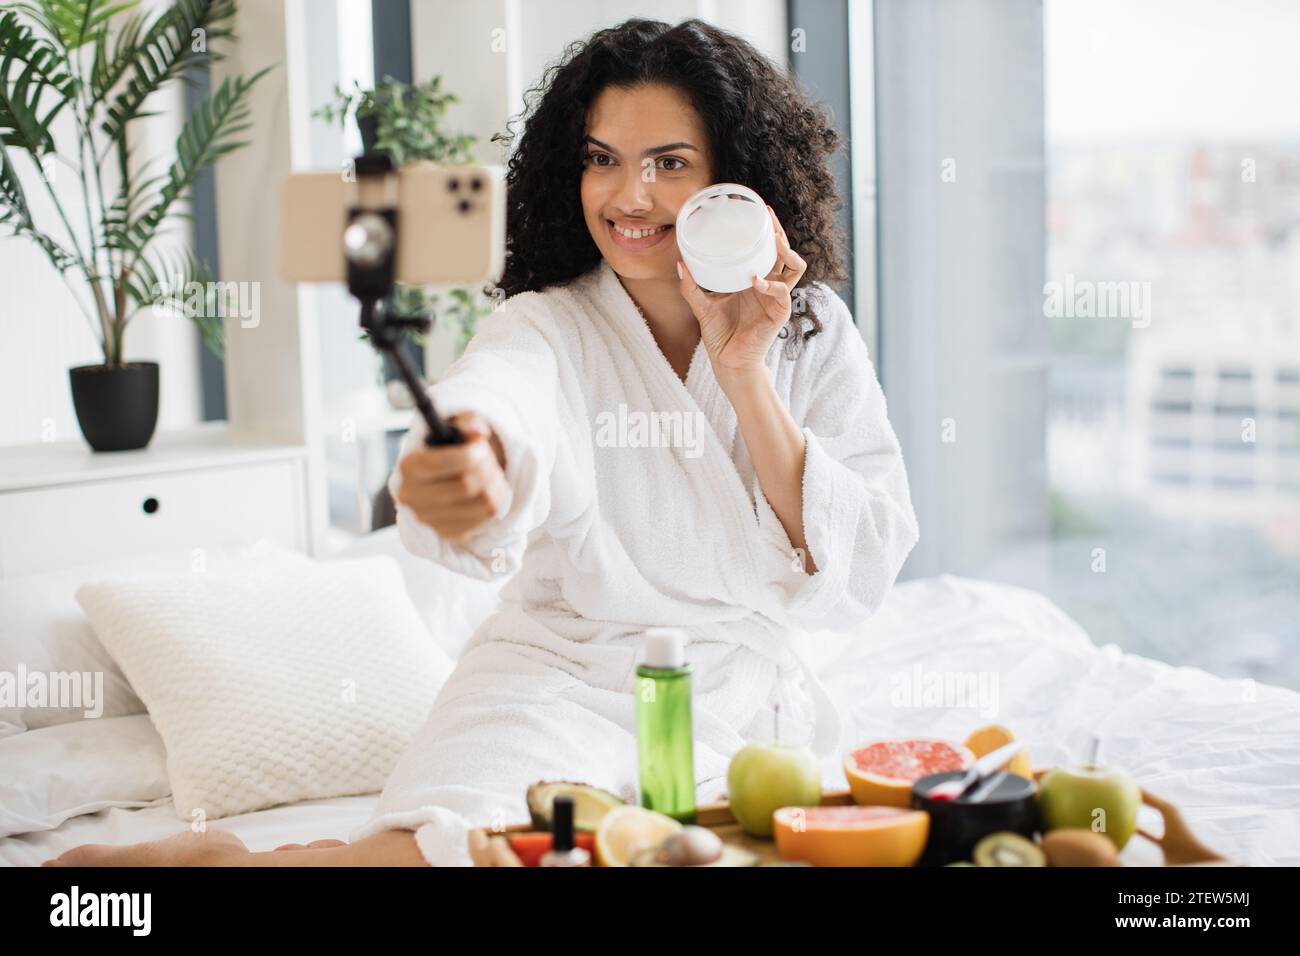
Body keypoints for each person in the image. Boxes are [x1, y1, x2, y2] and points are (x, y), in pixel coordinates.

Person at [45, 16, 917, 868]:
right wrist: (467, 462)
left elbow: (862, 556)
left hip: (734, 700)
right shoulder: (547, 326)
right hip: (558, 680)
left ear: (737, 182)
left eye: (670, 163)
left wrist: (743, 372)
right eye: (600, 159)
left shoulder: (808, 331)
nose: (629, 196)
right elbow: (498, 402)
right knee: (452, 850)